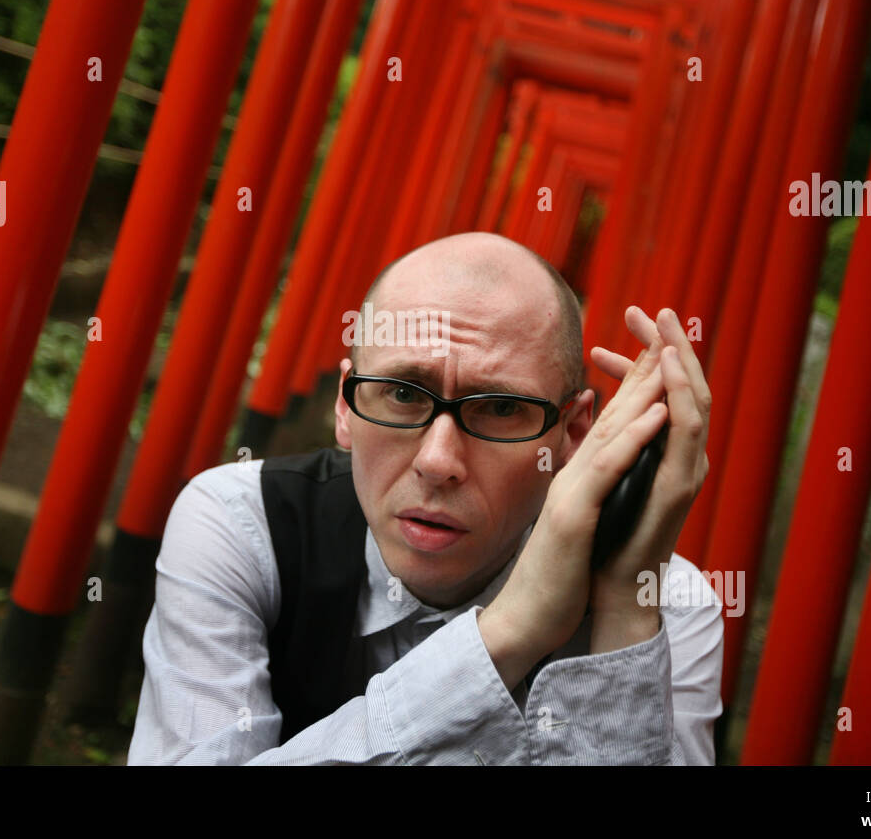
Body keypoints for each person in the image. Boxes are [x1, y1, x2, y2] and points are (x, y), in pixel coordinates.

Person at [128, 232, 722, 764]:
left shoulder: (662, 602)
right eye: (403, 396)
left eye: (500, 408)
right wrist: (507, 635)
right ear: (344, 406)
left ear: (571, 435)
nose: (438, 461)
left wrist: (622, 616)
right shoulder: (241, 522)